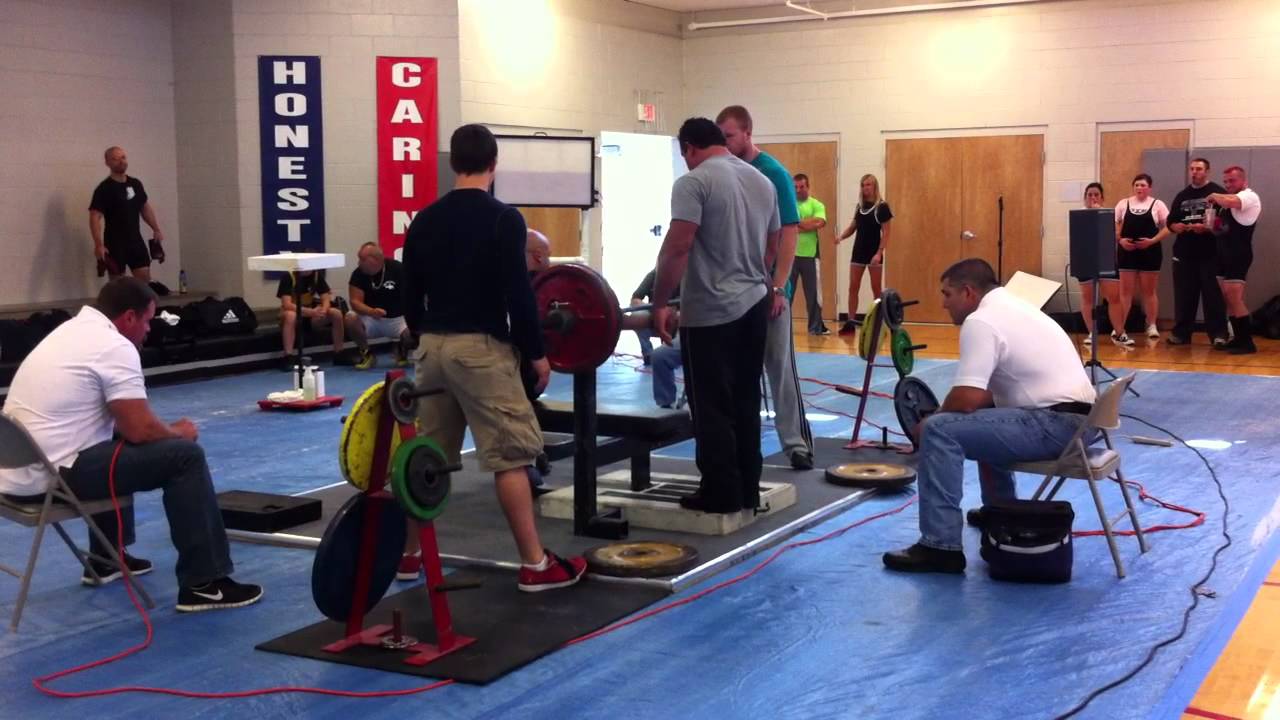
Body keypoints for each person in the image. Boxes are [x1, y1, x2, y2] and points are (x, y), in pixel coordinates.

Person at [0, 278, 262, 611]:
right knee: (185, 456)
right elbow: (141, 430)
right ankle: (205, 583)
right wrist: (179, 432)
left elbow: (128, 427)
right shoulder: (114, 346)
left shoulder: (69, 331)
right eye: (148, 320)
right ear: (128, 318)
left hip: (15, 472)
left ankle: (106, 558)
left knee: (112, 436)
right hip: (50, 479)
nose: (149, 330)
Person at [400, 123, 586, 591]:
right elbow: (519, 294)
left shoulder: (423, 219)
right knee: (510, 457)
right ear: (494, 164)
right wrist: (538, 354)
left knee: (428, 458)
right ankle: (535, 565)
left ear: (452, 163)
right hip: (479, 350)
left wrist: (426, 334)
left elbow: (409, 293)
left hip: (432, 349)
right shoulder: (505, 219)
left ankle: (407, 556)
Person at [882, 259, 1096, 574]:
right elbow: (982, 399)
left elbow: (966, 398)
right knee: (984, 414)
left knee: (940, 431)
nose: (943, 304)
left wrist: (931, 421)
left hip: (1055, 426)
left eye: (947, 294)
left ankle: (940, 546)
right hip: (1084, 425)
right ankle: (1000, 511)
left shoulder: (981, 321)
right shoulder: (1017, 307)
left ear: (968, 292)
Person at [650, 117, 780, 514]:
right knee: (744, 400)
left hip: (710, 312)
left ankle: (721, 492)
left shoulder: (693, 182)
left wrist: (659, 303)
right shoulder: (762, 180)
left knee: (711, 406)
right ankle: (747, 488)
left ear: (688, 147)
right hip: (755, 302)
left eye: (684, 154)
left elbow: (677, 248)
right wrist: (752, 277)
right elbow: (773, 243)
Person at [716, 105, 815, 471]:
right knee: (736, 370)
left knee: (779, 366)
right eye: (720, 137)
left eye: (728, 136)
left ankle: (796, 443)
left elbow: (789, 232)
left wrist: (778, 287)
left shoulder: (774, 174)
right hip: (734, 294)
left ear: (747, 133)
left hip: (768, 289)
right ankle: (740, 445)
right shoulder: (725, 173)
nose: (724, 143)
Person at [1166, 158, 1228, 347]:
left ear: (1207, 171)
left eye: (1199, 169)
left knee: (1213, 296)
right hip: (1185, 254)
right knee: (1185, 296)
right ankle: (1182, 333)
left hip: (1210, 254)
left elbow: (1226, 223)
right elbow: (1170, 221)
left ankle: (1218, 334)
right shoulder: (1182, 195)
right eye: (1192, 169)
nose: (1194, 172)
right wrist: (1175, 226)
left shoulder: (1218, 193)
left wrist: (1208, 228)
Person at [1207, 166, 1263, 355]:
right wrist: (1210, 222)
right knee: (1228, 298)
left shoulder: (1249, 196)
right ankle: (1238, 338)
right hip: (1222, 252)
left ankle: (1247, 342)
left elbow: (1232, 201)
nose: (1228, 185)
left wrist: (1215, 194)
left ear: (1243, 181)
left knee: (1234, 296)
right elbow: (1217, 229)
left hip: (1238, 253)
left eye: (1232, 181)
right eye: (1226, 182)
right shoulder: (1225, 202)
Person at [89, 146, 166, 283]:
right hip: (115, 243)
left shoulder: (135, 184)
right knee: (118, 286)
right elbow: (95, 217)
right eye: (115, 158)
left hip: (135, 241)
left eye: (123, 157)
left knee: (144, 282)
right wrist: (98, 244)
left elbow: (145, 208)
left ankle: (140, 305)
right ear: (107, 162)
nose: (121, 161)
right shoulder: (104, 188)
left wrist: (156, 229)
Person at [1114, 174, 1171, 342]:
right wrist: (1120, 240)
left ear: (1149, 188)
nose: (1139, 188)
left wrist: (1152, 241)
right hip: (1127, 252)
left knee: (1149, 292)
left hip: (1150, 252)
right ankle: (1120, 327)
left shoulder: (1158, 204)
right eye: (1137, 184)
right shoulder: (1123, 204)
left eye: (1143, 185)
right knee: (1125, 293)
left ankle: (1151, 325)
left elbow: (1169, 227)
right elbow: (1114, 225)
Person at [835, 174, 893, 336]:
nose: (865, 188)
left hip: (874, 252)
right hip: (858, 252)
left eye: (868, 185)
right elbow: (853, 227)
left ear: (875, 187)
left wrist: (879, 253)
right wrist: (841, 237)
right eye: (863, 185)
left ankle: (879, 322)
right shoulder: (859, 207)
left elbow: (887, 232)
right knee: (853, 287)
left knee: (876, 289)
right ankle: (850, 323)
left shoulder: (882, 207)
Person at [344, 242, 412, 370]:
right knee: (350, 318)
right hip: (371, 319)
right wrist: (371, 311)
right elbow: (355, 302)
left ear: (374, 260)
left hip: (397, 319)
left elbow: (412, 295)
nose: (359, 263)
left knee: (415, 327)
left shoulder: (398, 269)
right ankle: (366, 353)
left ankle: (402, 349)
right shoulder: (358, 274)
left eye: (362, 259)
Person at [1074, 183, 1126, 346]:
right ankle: (1091, 333)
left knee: (1114, 297)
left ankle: (1119, 332)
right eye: (1089, 195)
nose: (1093, 198)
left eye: (1096, 195)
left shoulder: (1109, 214)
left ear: (1102, 198)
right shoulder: (1079, 215)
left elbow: (1115, 236)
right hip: (1086, 259)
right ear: (1085, 197)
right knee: (1087, 297)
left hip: (1106, 259)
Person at [277, 269, 347, 369]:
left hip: (310, 316)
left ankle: (339, 353)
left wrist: (323, 310)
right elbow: (287, 304)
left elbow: (326, 297)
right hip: (293, 315)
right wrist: (309, 312)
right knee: (290, 315)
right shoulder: (288, 276)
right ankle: (288, 357)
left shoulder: (316, 275)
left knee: (336, 313)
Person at [791, 173, 830, 335]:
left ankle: (815, 328)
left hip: (810, 255)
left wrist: (796, 223)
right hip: (790, 256)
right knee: (786, 294)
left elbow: (819, 222)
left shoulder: (817, 205)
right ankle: (783, 327)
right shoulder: (789, 204)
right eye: (795, 187)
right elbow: (783, 224)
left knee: (813, 295)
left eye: (802, 187)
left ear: (808, 187)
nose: (798, 190)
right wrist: (808, 223)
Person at [630, 269, 680, 367]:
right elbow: (635, 300)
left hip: (678, 316)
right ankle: (648, 355)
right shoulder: (653, 275)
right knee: (637, 315)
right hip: (655, 314)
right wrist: (655, 310)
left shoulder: (688, 276)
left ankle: (678, 351)